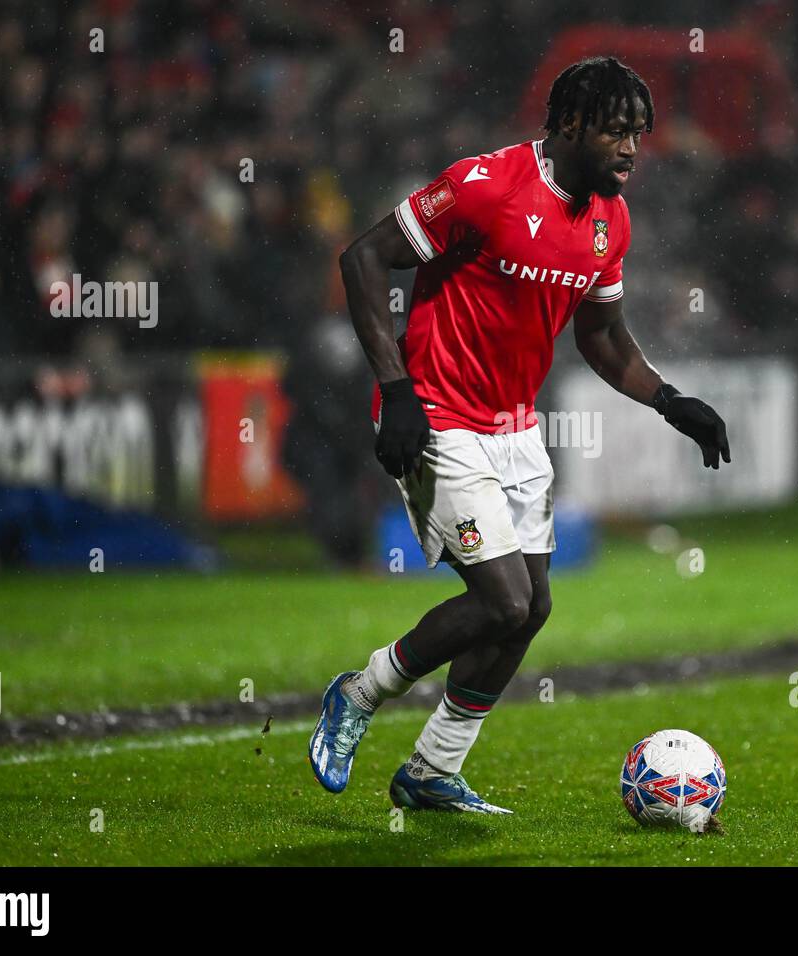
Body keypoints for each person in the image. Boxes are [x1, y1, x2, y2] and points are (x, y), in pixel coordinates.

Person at [311, 56, 731, 813]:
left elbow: (603, 339)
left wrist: (671, 401)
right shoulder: (486, 185)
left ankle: (433, 769)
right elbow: (364, 257)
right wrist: (397, 390)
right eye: (615, 131)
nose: (632, 149)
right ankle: (360, 691)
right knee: (503, 601)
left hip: (515, 427)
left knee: (532, 607)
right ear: (570, 124)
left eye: (639, 133)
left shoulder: (612, 219)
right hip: (437, 412)